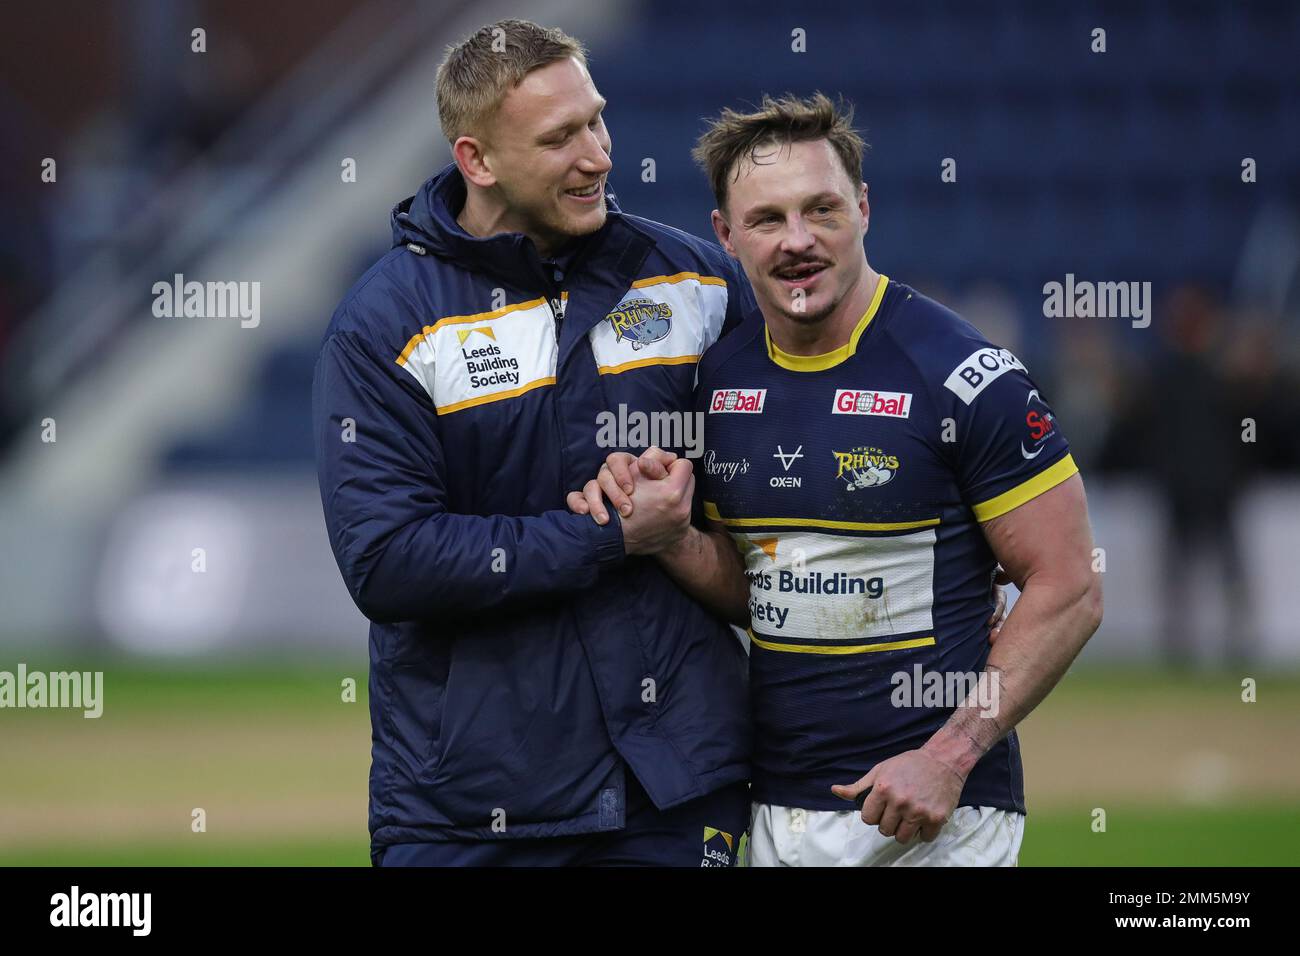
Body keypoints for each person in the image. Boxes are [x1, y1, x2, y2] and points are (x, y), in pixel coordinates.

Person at [570, 94, 1102, 865]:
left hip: (936, 818)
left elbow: (1072, 584)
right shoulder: (718, 382)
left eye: (821, 210)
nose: (798, 241)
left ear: (862, 208)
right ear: (726, 234)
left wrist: (950, 755)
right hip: (777, 809)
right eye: (767, 220)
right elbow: (763, 587)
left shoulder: (962, 373)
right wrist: (669, 534)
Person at [312, 19, 757, 866]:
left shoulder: (697, 283)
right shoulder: (386, 326)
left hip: (677, 788)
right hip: (469, 811)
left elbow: (773, 488)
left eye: (596, 120)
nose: (598, 157)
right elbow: (387, 559)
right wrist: (609, 535)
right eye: (560, 139)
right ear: (477, 160)